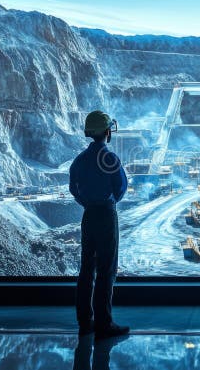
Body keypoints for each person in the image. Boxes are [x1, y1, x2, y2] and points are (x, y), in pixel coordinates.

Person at [69, 110, 130, 339]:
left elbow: (73, 188)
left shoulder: (79, 160)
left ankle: (85, 321)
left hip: (88, 216)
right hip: (105, 215)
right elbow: (121, 188)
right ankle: (104, 323)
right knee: (106, 270)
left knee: (87, 269)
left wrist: (86, 202)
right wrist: (109, 200)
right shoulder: (110, 158)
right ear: (107, 132)